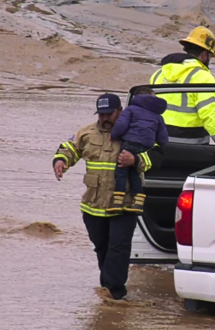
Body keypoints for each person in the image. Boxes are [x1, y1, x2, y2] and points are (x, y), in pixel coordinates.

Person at [52, 93, 165, 301]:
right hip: (93, 205)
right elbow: (70, 149)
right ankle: (107, 287)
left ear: (120, 111)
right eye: (101, 114)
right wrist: (60, 161)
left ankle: (115, 293)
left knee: (118, 248)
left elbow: (158, 156)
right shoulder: (86, 132)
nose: (105, 118)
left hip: (125, 204)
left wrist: (137, 159)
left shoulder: (136, 129)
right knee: (102, 247)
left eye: (109, 114)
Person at [150, 26, 215, 146]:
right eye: (210, 56)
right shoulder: (203, 78)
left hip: (159, 148)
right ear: (205, 55)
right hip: (192, 152)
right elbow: (211, 118)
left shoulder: (159, 74)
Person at [110, 87, 169, 214]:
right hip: (144, 149)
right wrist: (161, 146)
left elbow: (121, 125)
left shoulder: (131, 109)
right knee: (135, 174)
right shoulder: (157, 116)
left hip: (129, 144)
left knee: (121, 172)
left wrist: (113, 136)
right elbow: (163, 138)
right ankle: (138, 203)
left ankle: (117, 202)